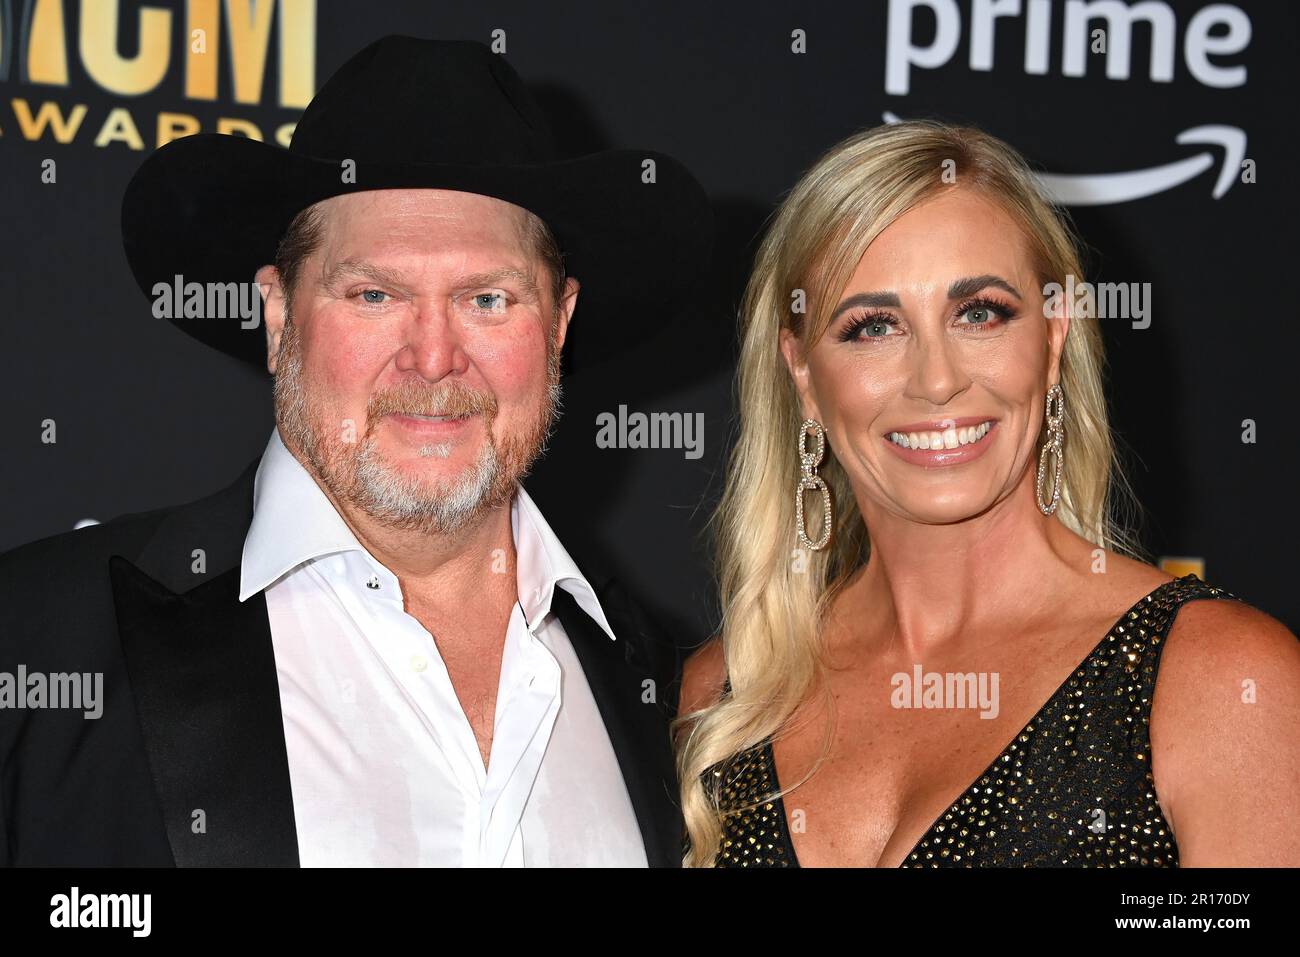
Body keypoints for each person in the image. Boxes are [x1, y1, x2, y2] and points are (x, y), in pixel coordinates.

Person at [0, 36, 711, 867]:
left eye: (488, 298)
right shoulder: (35, 644)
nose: (434, 356)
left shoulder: (676, 697)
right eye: (375, 294)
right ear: (276, 316)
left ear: (557, 324)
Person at [676, 119, 1299, 868]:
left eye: (980, 314)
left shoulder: (1220, 679)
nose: (936, 379)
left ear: (1054, 337)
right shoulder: (730, 691)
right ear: (803, 373)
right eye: (873, 326)